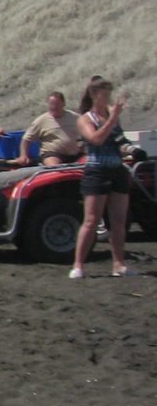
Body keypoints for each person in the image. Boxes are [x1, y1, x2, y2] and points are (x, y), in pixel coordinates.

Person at [69, 77, 133, 278]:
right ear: (94, 95)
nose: (108, 99)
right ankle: (78, 265)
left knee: (119, 220)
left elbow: (117, 141)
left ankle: (119, 264)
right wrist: (112, 119)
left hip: (116, 168)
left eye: (109, 95)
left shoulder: (111, 115)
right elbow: (96, 139)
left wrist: (130, 149)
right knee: (91, 220)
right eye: (104, 95)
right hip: (96, 170)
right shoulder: (85, 119)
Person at [18, 91, 83, 165]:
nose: (54, 107)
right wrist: (23, 155)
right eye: (51, 104)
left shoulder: (74, 117)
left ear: (63, 104)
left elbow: (87, 131)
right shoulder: (42, 120)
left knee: (90, 163)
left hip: (74, 154)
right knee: (54, 166)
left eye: (57, 104)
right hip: (52, 154)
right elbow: (26, 139)